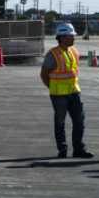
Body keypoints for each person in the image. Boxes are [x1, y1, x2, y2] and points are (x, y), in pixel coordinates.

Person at [40, 23, 91, 158]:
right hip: (59, 95)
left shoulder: (74, 51)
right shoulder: (53, 54)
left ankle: (78, 149)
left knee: (79, 121)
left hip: (74, 92)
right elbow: (44, 74)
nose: (73, 38)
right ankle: (62, 150)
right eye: (71, 36)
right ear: (62, 37)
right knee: (60, 122)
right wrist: (52, 87)